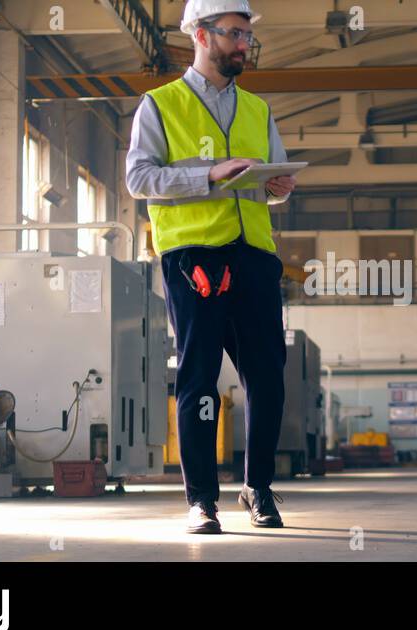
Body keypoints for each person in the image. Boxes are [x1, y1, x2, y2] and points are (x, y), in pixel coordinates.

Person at [126, 0, 297, 534]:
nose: (245, 44)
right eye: (236, 35)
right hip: (194, 256)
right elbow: (139, 179)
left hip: (255, 257)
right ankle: (201, 500)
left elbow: (271, 185)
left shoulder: (257, 110)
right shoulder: (160, 105)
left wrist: (278, 188)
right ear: (201, 35)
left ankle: (259, 488)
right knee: (199, 379)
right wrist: (208, 176)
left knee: (267, 378)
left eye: (248, 36)